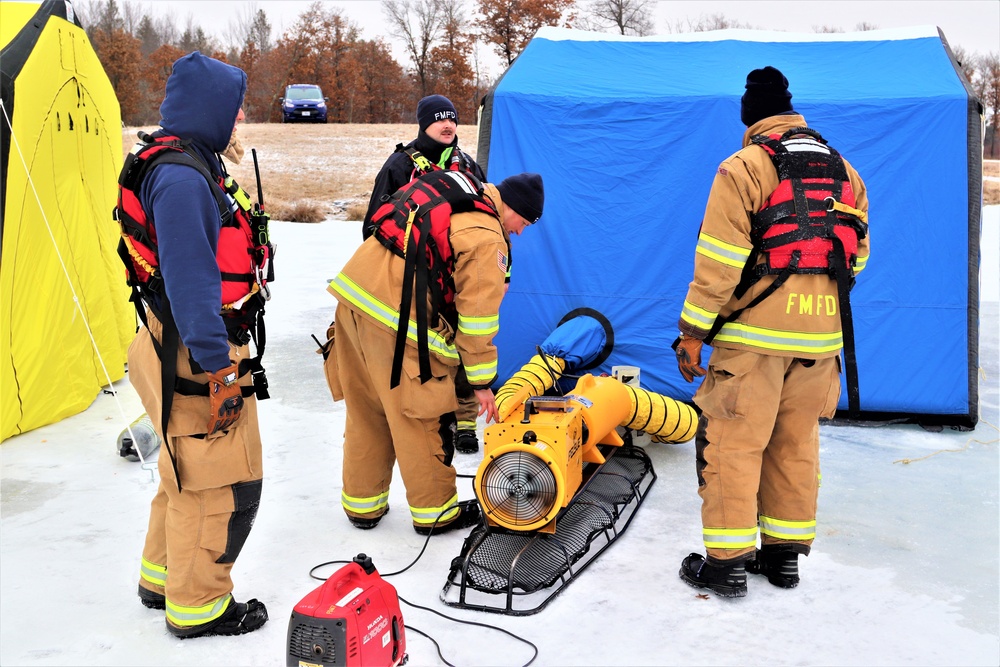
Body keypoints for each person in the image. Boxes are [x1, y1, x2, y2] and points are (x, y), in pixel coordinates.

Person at [672, 66, 869, 598]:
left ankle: (727, 566)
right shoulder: (845, 172)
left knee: (734, 446)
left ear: (750, 116)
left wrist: (692, 333)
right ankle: (784, 560)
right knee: (795, 447)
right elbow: (857, 256)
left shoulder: (744, 168)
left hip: (753, 341)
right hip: (822, 343)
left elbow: (718, 265)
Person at [117, 52, 272, 637]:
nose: (240, 123)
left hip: (170, 341)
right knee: (220, 480)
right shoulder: (183, 178)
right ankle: (198, 605)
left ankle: (160, 579)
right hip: (194, 349)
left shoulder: (184, 162)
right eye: (235, 111)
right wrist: (218, 373)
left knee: (181, 470)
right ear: (212, 111)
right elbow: (191, 285)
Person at [327, 171, 544, 534]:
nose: (520, 231)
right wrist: (480, 382)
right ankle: (435, 514)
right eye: (523, 222)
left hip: (353, 301)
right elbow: (477, 319)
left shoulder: (457, 189)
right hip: (397, 323)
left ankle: (363, 506)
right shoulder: (486, 235)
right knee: (420, 416)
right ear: (513, 207)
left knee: (368, 409)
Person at [362, 95, 488, 455]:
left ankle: (465, 423)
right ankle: (436, 419)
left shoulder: (467, 165)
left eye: (452, 120)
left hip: (459, 271)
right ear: (423, 124)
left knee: (465, 342)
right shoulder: (399, 165)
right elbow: (374, 225)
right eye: (439, 120)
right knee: (429, 352)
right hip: (415, 275)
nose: (448, 126)